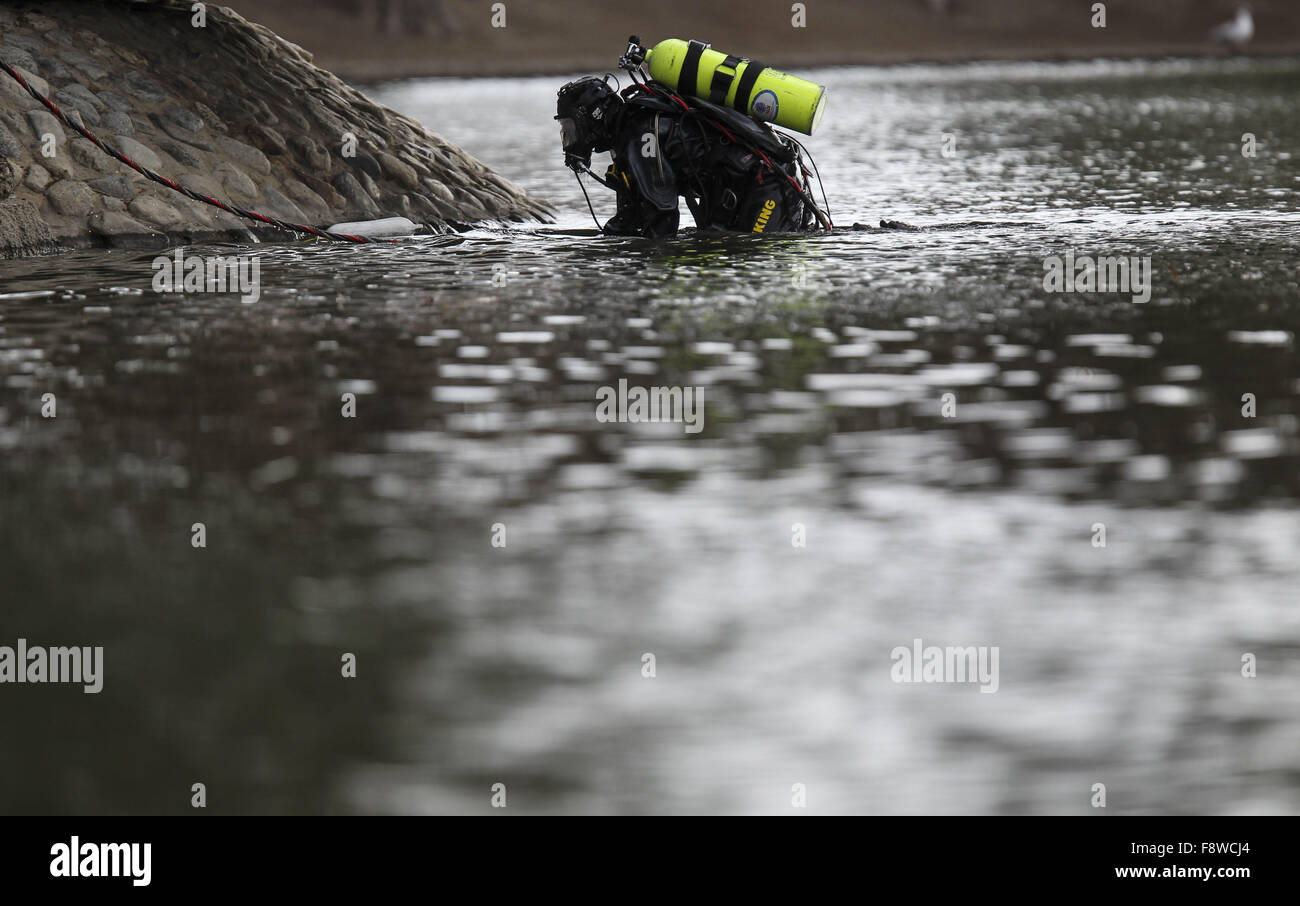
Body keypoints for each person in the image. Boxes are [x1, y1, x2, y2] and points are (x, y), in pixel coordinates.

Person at [555, 75, 821, 238]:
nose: (570, 139)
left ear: (593, 117)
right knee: (718, 244)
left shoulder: (641, 134)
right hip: (750, 187)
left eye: (571, 128)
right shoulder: (629, 136)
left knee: (757, 255)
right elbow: (632, 218)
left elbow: (663, 214)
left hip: (766, 185)